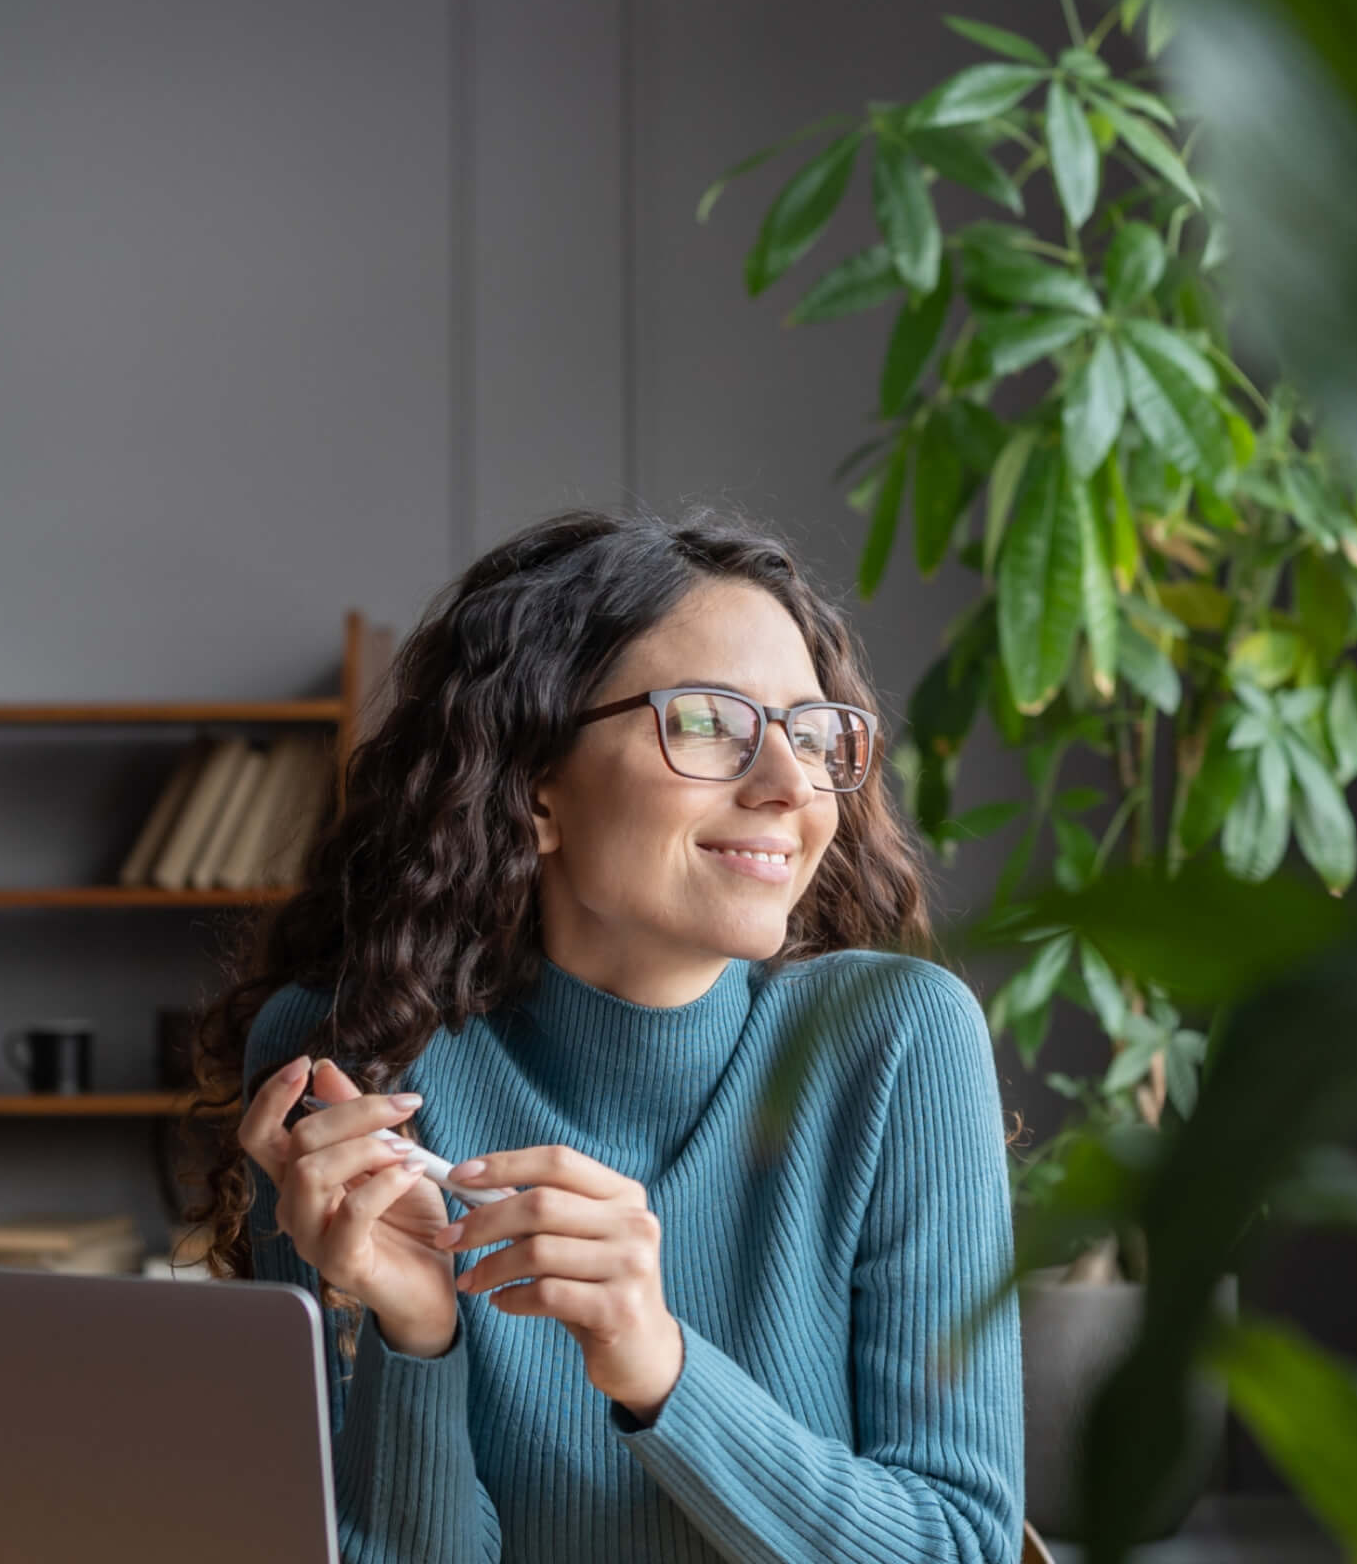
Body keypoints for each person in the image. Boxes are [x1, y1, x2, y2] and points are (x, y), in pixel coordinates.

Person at [180, 506, 1026, 1563]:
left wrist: (658, 1363)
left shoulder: (896, 1043)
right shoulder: (345, 1060)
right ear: (535, 786)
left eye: (813, 737)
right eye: (711, 724)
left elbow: (962, 1545)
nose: (790, 788)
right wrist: (416, 1335)